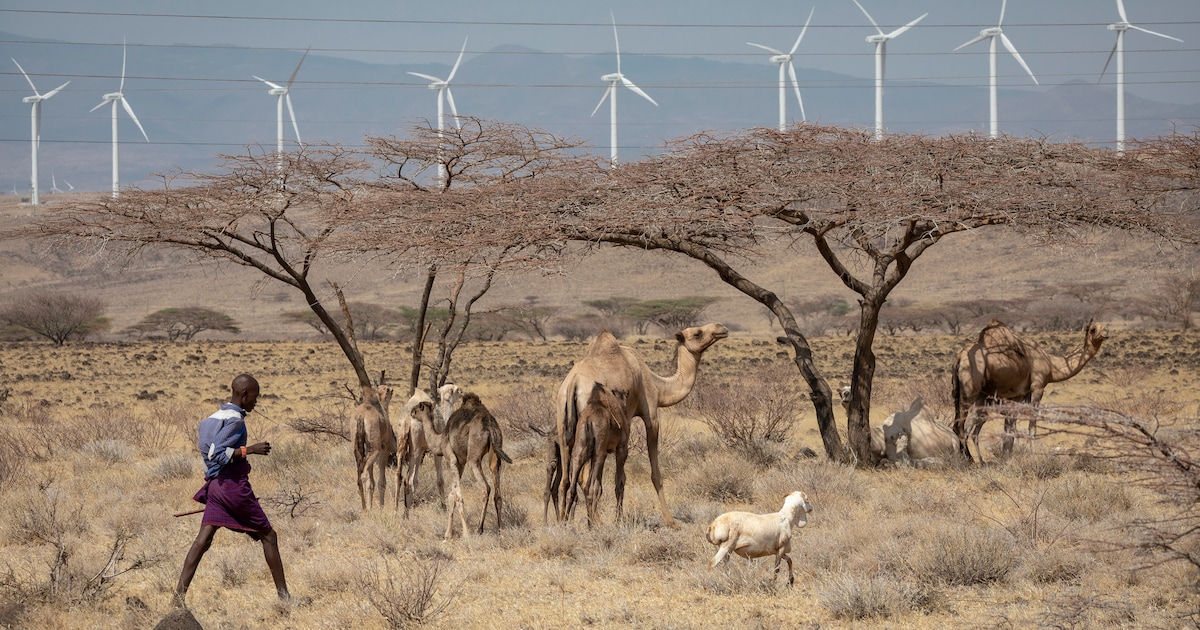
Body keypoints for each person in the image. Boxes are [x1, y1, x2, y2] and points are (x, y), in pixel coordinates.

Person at [174, 373, 294, 605]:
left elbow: (207, 453)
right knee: (269, 536)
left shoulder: (210, 419)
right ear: (244, 395)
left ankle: (178, 599)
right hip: (232, 487)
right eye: (255, 398)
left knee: (203, 540)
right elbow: (217, 454)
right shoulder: (235, 421)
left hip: (215, 486)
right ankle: (285, 598)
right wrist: (251, 450)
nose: (256, 403)